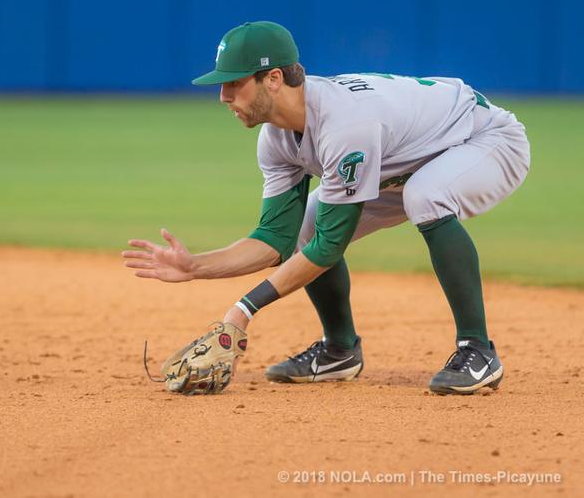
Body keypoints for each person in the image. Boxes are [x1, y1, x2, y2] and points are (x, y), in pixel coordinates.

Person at [122, 21, 530, 395]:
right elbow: (275, 240)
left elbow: (329, 246)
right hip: (402, 163)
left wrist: (242, 310)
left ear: (273, 79)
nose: (223, 96)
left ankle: (478, 350)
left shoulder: (344, 125)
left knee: (425, 196)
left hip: (484, 140)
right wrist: (196, 266)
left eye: (234, 83)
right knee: (308, 223)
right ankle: (339, 350)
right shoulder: (276, 139)